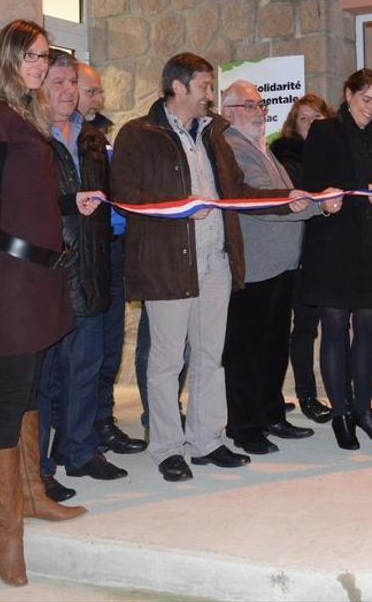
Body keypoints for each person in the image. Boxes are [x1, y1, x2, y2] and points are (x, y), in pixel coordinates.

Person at [111, 52, 309, 482]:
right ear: (178, 87)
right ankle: (167, 447)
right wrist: (179, 208)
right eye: (204, 86)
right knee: (167, 362)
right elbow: (125, 197)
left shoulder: (213, 134)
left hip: (216, 261)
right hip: (168, 266)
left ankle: (206, 440)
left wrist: (285, 199)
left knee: (209, 357)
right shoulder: (138, 134)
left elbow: (238, 192)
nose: (210, 94)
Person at [0, 20, 101, 586]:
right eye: (32, 56)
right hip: (14, 281)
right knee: (10, 395)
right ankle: (5, 528)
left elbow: (27, 196)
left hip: (42, 278)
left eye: (45, 57)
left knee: (29, 389)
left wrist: (71, 202)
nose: (41, 66)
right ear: (9, 58)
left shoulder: (25, 115)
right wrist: (17, 249)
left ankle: (32, 495)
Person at [35, 54, 126, 505]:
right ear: (38, 87)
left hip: (91, 267)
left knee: (86, 366)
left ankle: (81, 451)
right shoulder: (30, 138)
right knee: (44, 379)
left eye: (72, 82)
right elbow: (24, 206)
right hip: (47, 273)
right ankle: (39, 469)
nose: (68, 91)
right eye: (58, 82)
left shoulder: (91, 139)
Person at [299, 70, 372, 449]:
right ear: (348, 95)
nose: (371, 108)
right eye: (365, 99)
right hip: (334, 246)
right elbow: (314, 183)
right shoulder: (324, 131)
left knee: (369, 330)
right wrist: (366, 189)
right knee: (334, 329)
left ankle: (364, 411)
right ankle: (340, 415)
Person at [220, 81, 327, 454]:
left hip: (279, 266)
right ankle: (245, 426)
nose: (259, 111)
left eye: (260, 105)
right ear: (228, 112)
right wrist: (319, 205)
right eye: (250, 105)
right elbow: (262, 200)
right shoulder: (232, 146)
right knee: (246, 351)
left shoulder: (260, 145)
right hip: (254, 267)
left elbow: (285, 193)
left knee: (274, 345)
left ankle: (270, 413)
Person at [76, 60, 147, 456]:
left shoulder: (101, 140)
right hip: (87, 254)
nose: (99, 99)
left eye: (99, 91)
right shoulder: (65, 141)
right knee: (87, 350)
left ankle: (103, 420)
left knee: (110, 344)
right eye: (92, 91)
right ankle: (83, 428)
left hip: (114, 250)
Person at [271, 93, 335, 424]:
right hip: (293, 254)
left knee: (328, 327)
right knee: (297, 329)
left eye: (316, 118)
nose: (310, 124)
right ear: (293, 125)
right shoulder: (285, 156)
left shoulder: (337, 152)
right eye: (303, 119)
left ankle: (332, 394)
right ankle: (300, 395)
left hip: (329, 251)